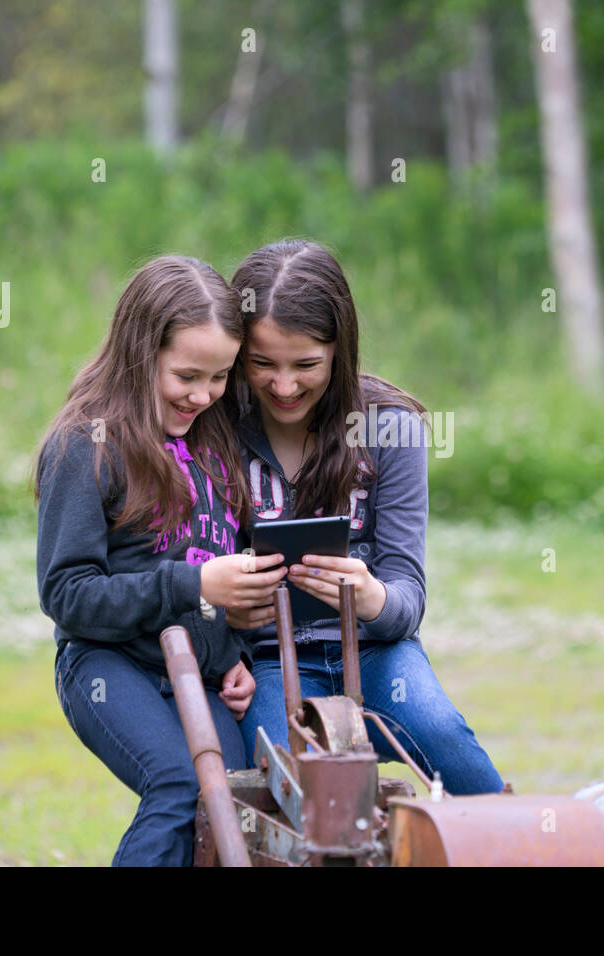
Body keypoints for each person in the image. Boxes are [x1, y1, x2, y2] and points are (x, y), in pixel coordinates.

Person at [221, 239, 504, 795]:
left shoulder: (390, 429)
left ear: (340, 348)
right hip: (271, 661)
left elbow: (406, 597)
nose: (283, 386)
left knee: (444, 735)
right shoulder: (216, 426)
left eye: (306, 365)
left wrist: (372, 596)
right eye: (262, 364)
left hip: (377, 652)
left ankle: (519, 847)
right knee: (294, 788)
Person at [33, 255, 288, 866]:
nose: (203, 395)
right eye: (186, 376)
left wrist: (234, 656)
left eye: (220, 377)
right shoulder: (85, 445)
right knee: (179, 786)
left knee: (232, 801)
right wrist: (193, 583)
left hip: (197, 675)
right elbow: (67, 593)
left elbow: (218, 564)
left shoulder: (212, 442)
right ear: (140, 353)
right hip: (109, 662)